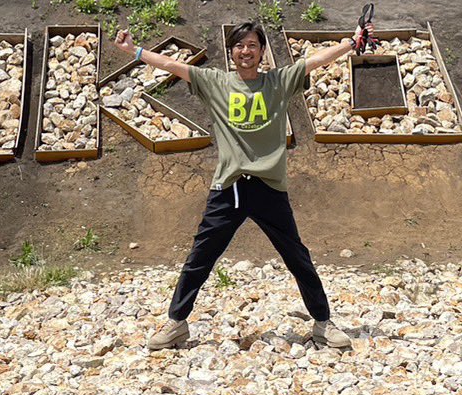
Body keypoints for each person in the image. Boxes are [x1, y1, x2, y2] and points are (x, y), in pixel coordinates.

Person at [115, 19, 370, 352]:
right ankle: (176, 324)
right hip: (230, 186)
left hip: (269, 187)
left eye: (252, 45)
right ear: (231, 52)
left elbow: (315, 60)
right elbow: (173, 65)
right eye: (239, 46)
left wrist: (352, 43)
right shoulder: (216, 82)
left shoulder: (278, 82)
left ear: (262, 51)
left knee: (297, 257)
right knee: (200, 258)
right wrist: (134, 50)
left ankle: (323, 323)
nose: (245, 51)